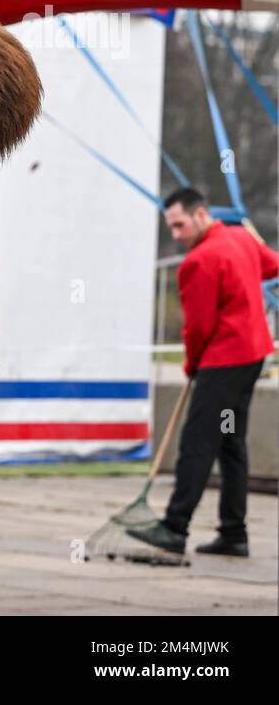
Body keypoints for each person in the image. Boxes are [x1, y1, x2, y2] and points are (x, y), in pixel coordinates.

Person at [128, 188, 278, 557]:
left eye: (179, 225)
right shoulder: (242, 237)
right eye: (171, 228)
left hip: (222, 362)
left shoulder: (198, 262)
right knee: (230, 442)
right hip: (252, 358)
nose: (176, 234)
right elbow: (273, 265)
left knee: (197, 443)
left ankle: (175, 527)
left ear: (201, 215)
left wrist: (192, 364)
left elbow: (198, 327)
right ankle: (234, 532)